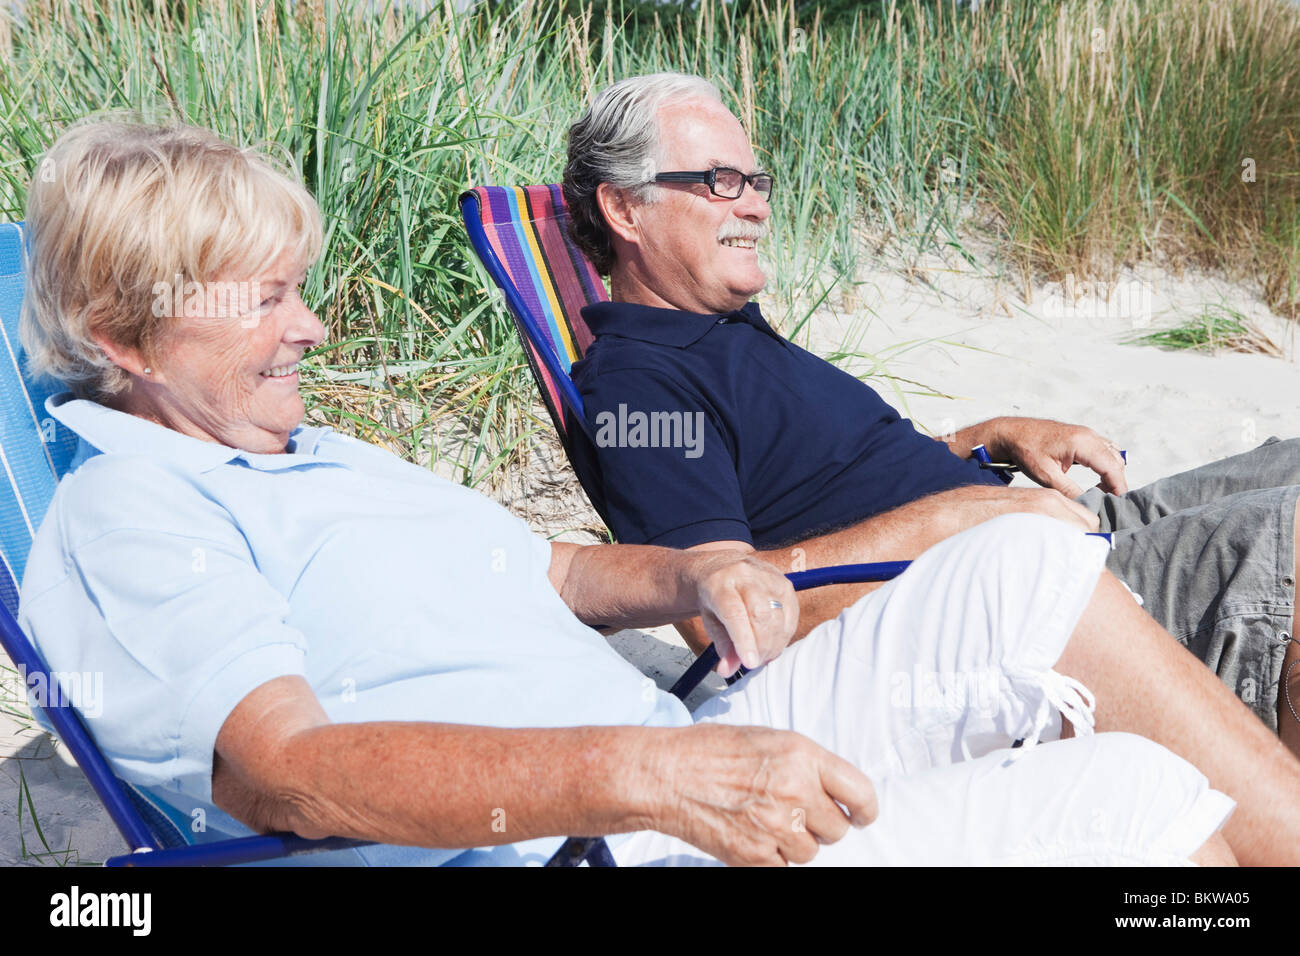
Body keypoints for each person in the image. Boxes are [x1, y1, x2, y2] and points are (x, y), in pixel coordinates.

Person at [19, 119, 1300, 869]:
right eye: (264, 300)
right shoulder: (134, 510)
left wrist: (686, 572)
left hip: (674, 761)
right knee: (1126, 792)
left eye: (299, 284)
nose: (310, 326)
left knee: (1022, 565)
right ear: (122, 334)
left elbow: (558, 574)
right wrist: (642, 775)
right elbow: (283, 773)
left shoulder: (319, 453)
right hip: (600, 836)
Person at [562, 72, 1300, 751]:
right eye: (721, 181)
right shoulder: (641, 385)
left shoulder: (723, 329)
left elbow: (843, 481)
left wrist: (982, 439)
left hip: (1054, 537)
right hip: (1022, 609)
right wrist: (958, 527)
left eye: (756, 179)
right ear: (625, 207)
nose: (755, 202)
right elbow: (719, 613)